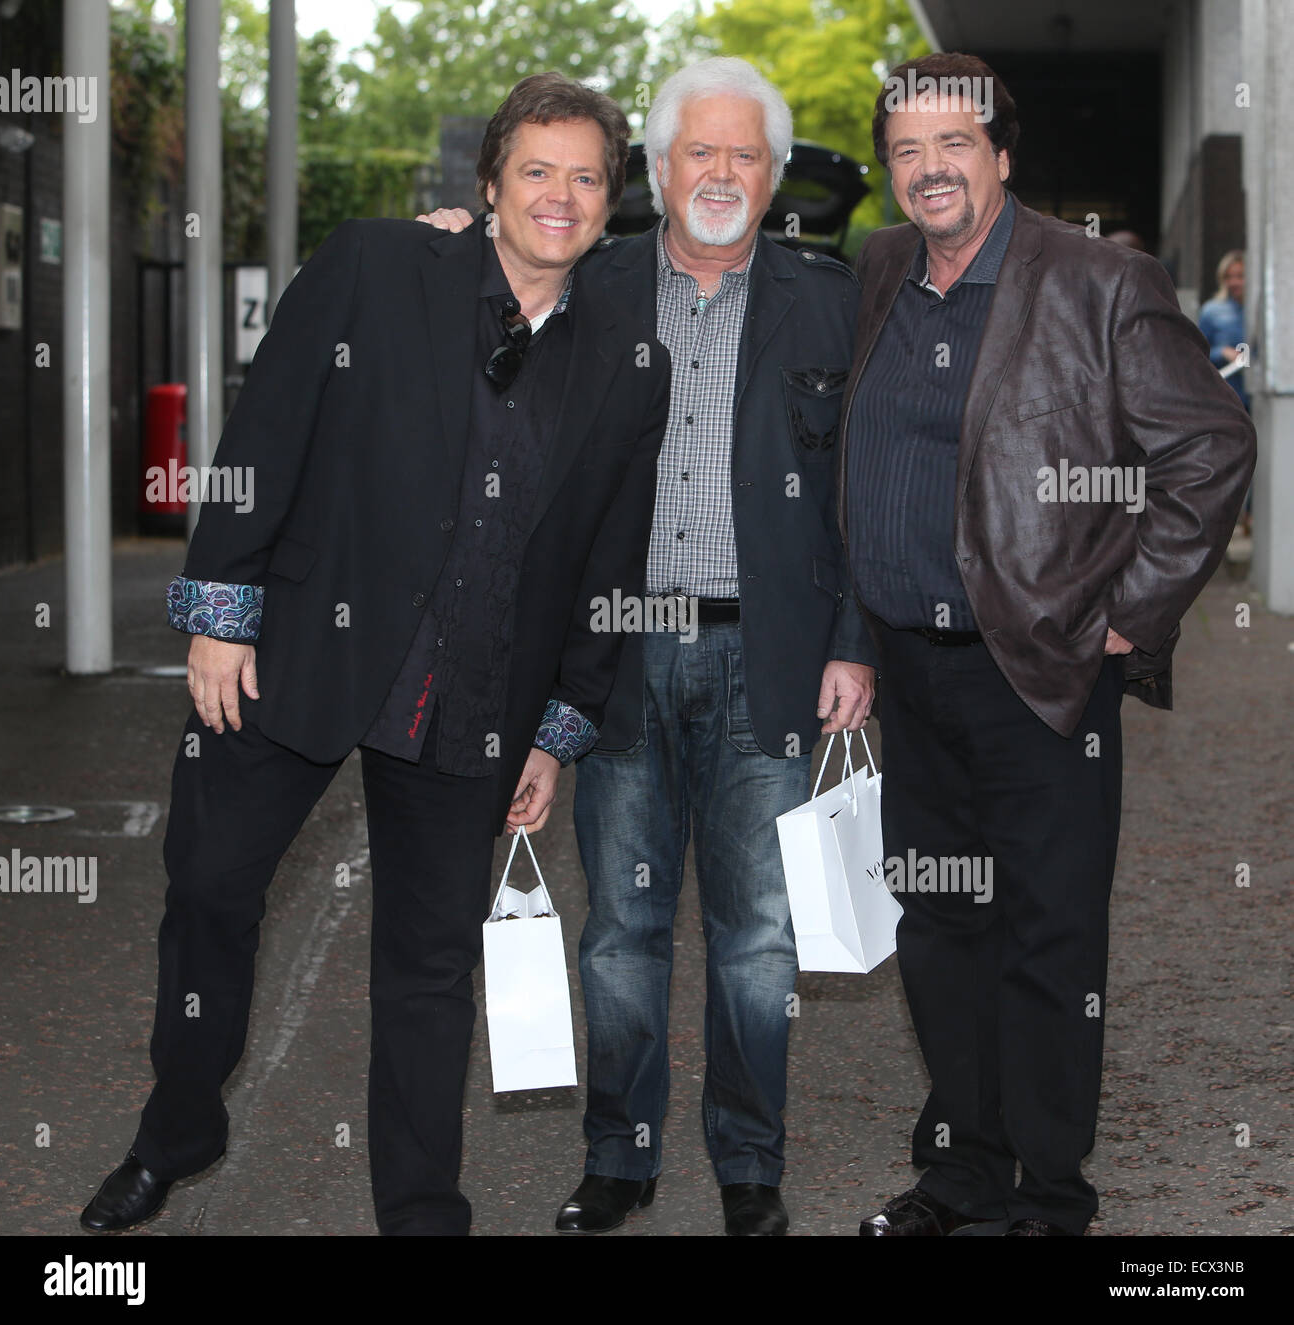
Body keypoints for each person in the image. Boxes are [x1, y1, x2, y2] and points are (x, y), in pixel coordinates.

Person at [79, 72, 670, 1237]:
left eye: (586, 176)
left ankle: (419, 1207)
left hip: (475, 690)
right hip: (295, 649)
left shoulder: (627, 360)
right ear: (490, 184)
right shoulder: (376, 265)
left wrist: (561, 724)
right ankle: (177, 1128)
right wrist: (219, 606)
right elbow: (264, 426)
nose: (561, 195)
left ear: (611, 203)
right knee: (208, 885)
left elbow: (609, 564)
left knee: (428, 965)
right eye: (536, 170)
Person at [424, 57, 874, 1236]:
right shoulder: (595, 288)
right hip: (615, 658)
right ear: (658, 170)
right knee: (621, 928)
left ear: (771, 176)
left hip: (771, 660)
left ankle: (749, 1163)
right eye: (698, 151)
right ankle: (617, 1160)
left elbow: (864, 492)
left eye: (745, 155)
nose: (721, 173)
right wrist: (441, 243)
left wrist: (854, 642)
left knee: (758, 934)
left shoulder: (831, 302)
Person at [844, 52, 1255, 1237]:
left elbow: (1210, 449)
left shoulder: (1096, 280)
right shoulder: (878, 270)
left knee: (1047, 935)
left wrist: (1126, 613)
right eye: (907, 149)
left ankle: (1048, 1191)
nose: (929, 168)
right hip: (907, 676)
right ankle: (961, 1169)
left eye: (954, 144)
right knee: (938, 931)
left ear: (1002, 155)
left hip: (1036, 672)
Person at [1198, 249, 1249, 411]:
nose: (1234, 282)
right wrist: (1223, 352)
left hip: (1259, 397)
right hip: (1227, 396)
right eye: (1228, 277)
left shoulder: (1265, 311)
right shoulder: (1212, 310)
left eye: (1240, 276)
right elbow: (1197, 353)